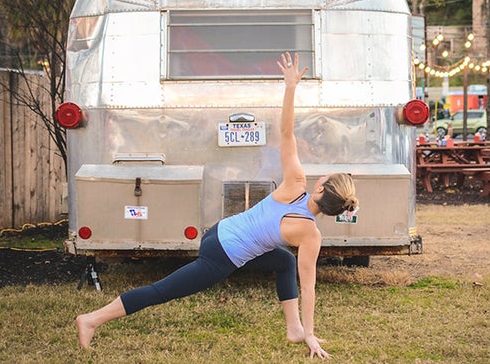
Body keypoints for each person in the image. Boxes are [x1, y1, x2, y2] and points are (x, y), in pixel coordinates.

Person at [75, 52, 359, 359]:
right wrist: (313, 334)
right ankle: (91, 319)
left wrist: (290, 86)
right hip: (222, 254)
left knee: (283, 261)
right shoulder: (310, 234)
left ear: (320, 187)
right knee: (163, 291)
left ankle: (294, 330)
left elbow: (287, 133)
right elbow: (310, 288)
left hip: (220, 231)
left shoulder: (295, 185)